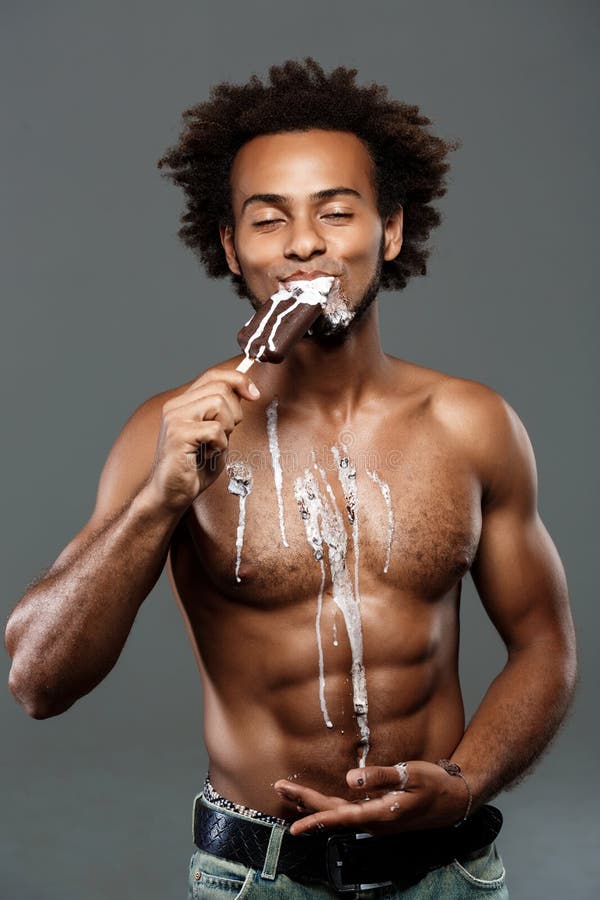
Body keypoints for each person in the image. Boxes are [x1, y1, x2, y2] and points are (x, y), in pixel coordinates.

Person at [5, 59, 577, 898]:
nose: (304, 243)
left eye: (336, 212)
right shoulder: (164, 433)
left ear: (389, 232)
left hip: (448, 869)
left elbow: (544, 644)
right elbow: (38, 683)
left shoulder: (472, 424)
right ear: (232, 248)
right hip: (260, 877)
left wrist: (465, 784)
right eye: (269, 221)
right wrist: (161, 494)